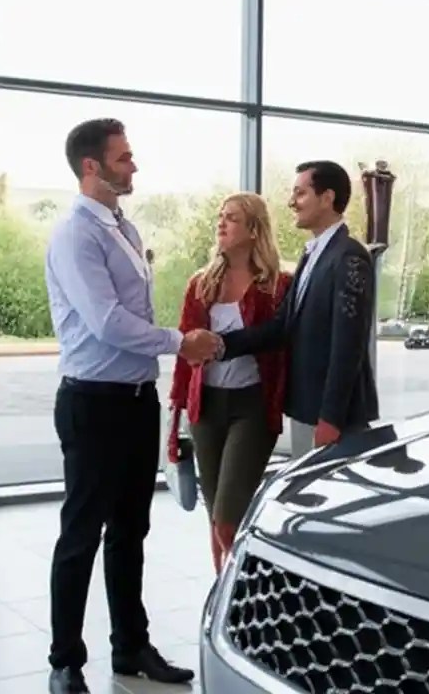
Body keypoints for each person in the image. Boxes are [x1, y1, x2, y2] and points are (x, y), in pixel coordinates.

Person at [43, 118, 211, 694]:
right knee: (81, 535)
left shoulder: (124, 228)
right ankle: (65, 662)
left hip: (137, 400)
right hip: (93, 403)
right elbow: (108, 322)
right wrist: (180, 341)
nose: (133, 165)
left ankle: (131, 647)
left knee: (130, 531)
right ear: (91, 166)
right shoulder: (76, 235)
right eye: (123, 157)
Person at [216, 160, 379, 455]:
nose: (292, 202)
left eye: (300, 193)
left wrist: (331, 418)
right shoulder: (313, 254)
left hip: (334, 417)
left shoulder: (350, 257)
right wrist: (220, 345)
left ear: (327, 198)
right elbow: (283, 326)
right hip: (307, 409)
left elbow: (349, 344)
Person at [167, 192, 292, 573]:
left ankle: (244, 586)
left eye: (232, 218)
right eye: (220, 216)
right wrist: (176, 415)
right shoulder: (201, 284)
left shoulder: (278, 286)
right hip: (205, 407)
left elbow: (281, 344)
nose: (221, 223)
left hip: (251, 408)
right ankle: (223, 588)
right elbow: (186, 353)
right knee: (214, 517)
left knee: (227, 517)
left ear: (254, 230)